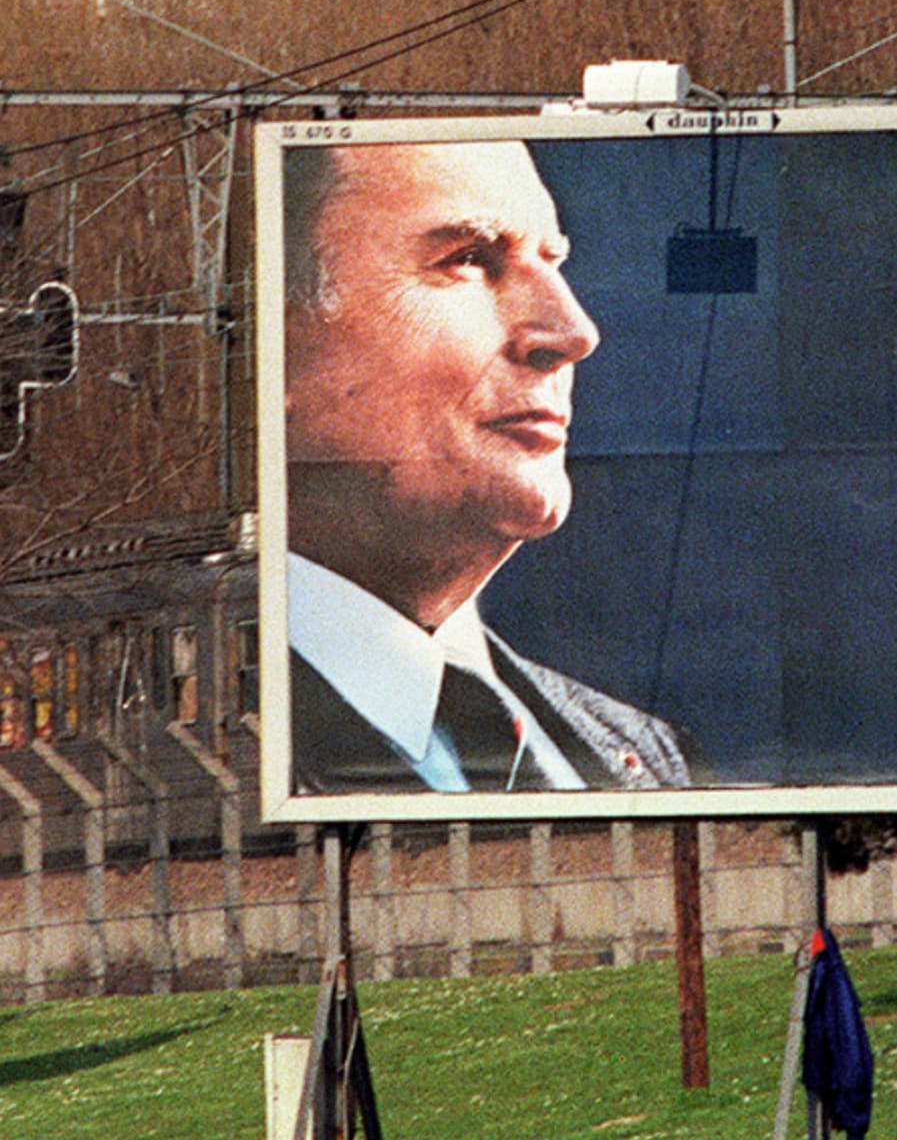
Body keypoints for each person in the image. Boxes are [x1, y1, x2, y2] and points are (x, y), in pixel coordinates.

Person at [281, 138, 692, 793]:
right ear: (273, 348)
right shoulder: (239, 758)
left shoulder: (645, 752)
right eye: (469, 260)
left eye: (554, 261)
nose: (575, 332)